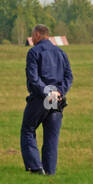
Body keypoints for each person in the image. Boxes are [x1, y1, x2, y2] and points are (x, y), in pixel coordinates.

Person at [20, 24, 73, 175]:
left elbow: (33, 77)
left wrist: (47, 92)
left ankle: (36, 167)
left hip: (40, 98)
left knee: (28, 129)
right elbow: (69, 76)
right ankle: (50, 170)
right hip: (57, 98)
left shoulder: (33, 52)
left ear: (37, 35)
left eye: (32, 35)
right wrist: (59, 92)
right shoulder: (61, 52)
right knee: (51, 136)